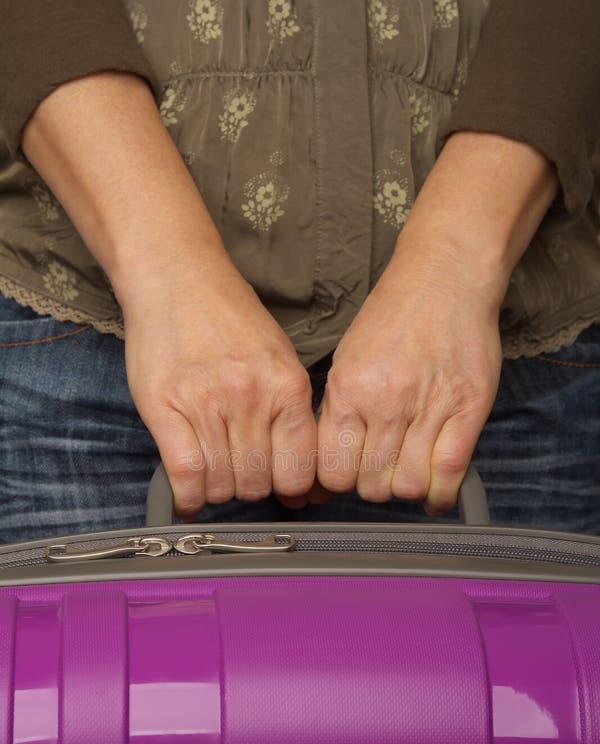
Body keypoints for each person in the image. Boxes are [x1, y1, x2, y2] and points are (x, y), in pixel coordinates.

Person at [1, 0, 599, 542]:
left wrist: (454, 272)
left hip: (494, 357)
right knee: (99, 658)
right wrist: (169, 276)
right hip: (89, 343)